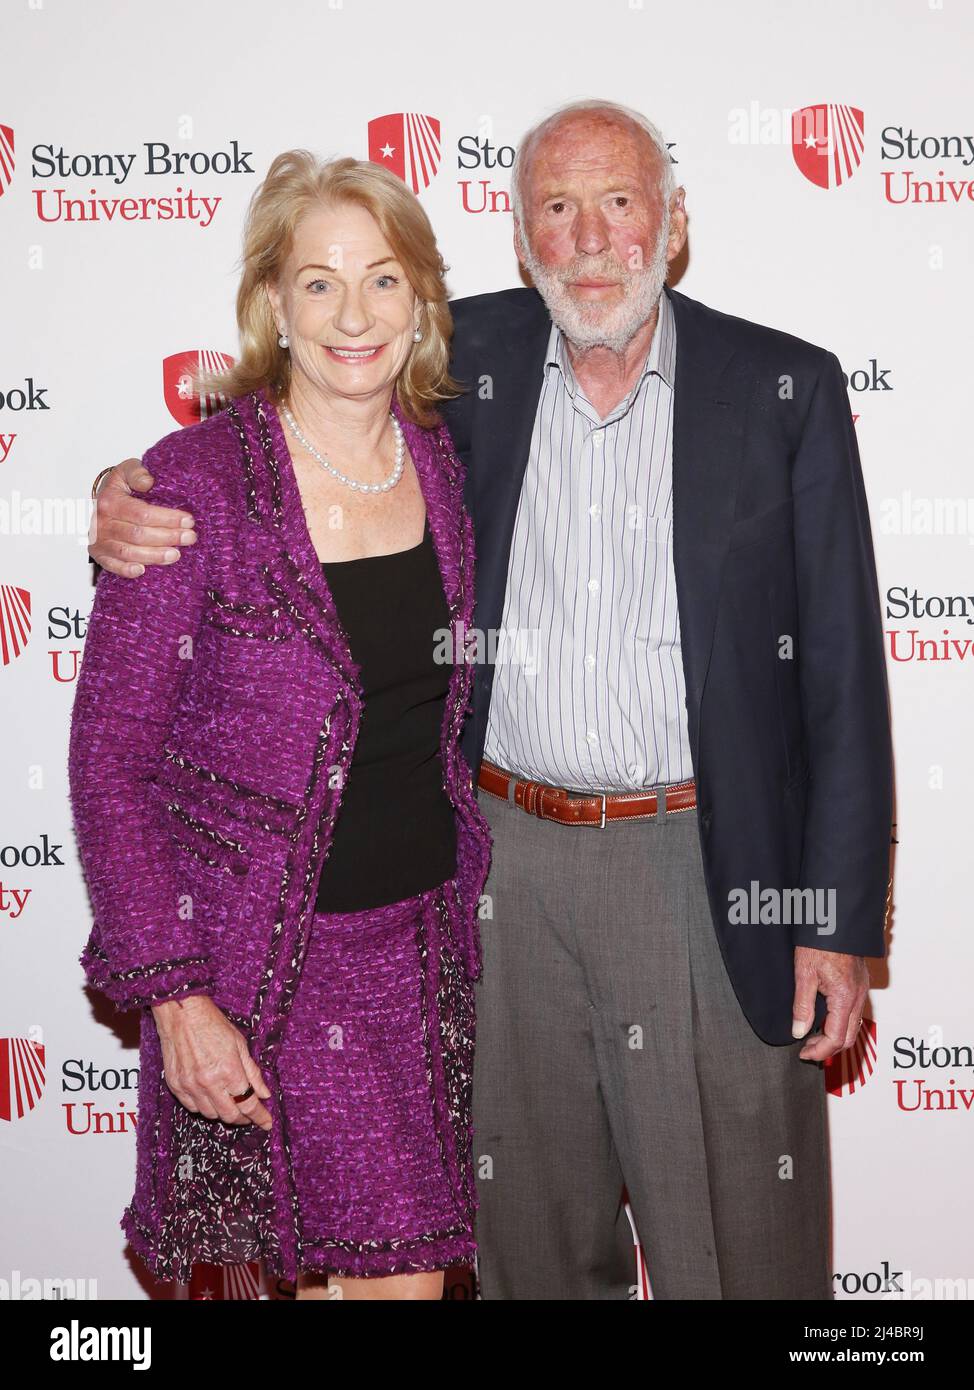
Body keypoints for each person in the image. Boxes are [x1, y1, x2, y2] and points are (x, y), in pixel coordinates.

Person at [87, 100, 894, 1301]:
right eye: (553, 210)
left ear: (671, 228)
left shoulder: (781, 386)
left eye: (618, 202)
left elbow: (838, 666)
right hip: (498, 875)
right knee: (524, 1245)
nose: (586, 238)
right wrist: (127, 488)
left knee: (738, 1258)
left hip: (706, 863)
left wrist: (833, 918)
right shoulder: (458, 367)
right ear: (517, 241)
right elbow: (285, 428)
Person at [70, 151, 492, 1302]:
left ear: (420, 304)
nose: (351, 313)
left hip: (421, 962)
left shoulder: (445, 464)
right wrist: (174, 998)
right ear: (271, 304)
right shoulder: (191, 486)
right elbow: (111, 764)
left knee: (409, 1285)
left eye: (381, 280)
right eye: (317, 282)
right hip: (260, 976)